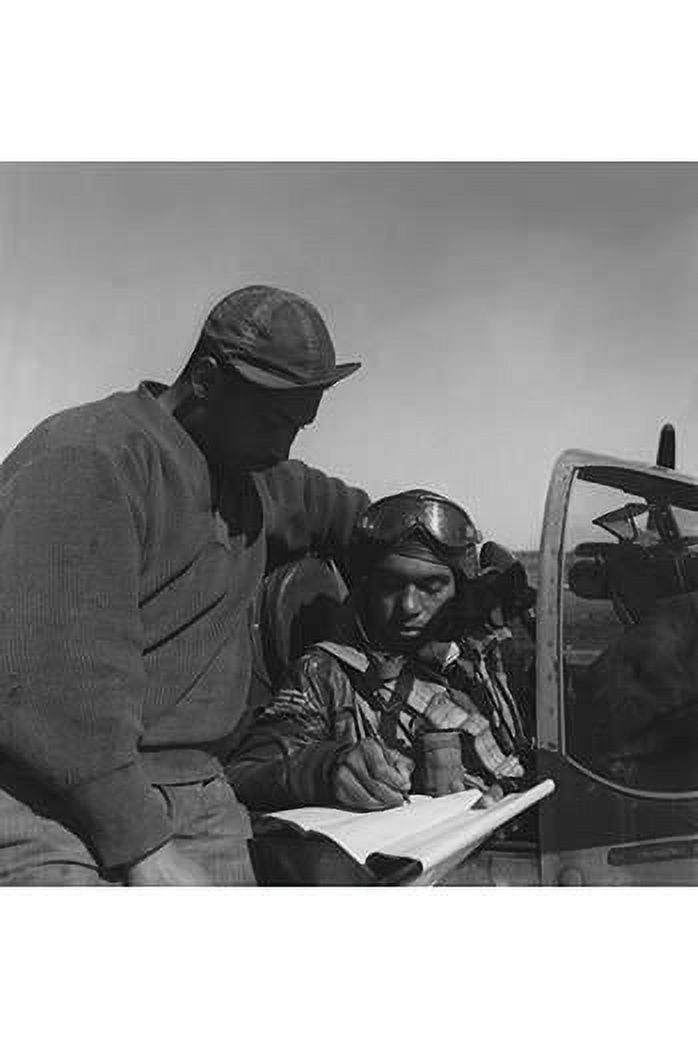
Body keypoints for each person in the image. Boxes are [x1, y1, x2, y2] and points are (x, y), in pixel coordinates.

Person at [0, 285, 370, 885]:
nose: (284, 445)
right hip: (46, 796)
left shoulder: (246, 471)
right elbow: (51, 688)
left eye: (300, 425)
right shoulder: (90, 460)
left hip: (195, 790)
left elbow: (338, 509)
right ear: (205, 378)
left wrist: (456, 555)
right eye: (273, 420)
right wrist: (144, 849)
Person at [227, 490, 533, 815]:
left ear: (459, 589)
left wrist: (510, 786)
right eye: (391, 584)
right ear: (368, 585)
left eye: (431, 587)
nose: (409, 606)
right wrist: (327, 768)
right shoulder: (327, 673)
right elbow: (247, 772)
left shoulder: (482, 655)